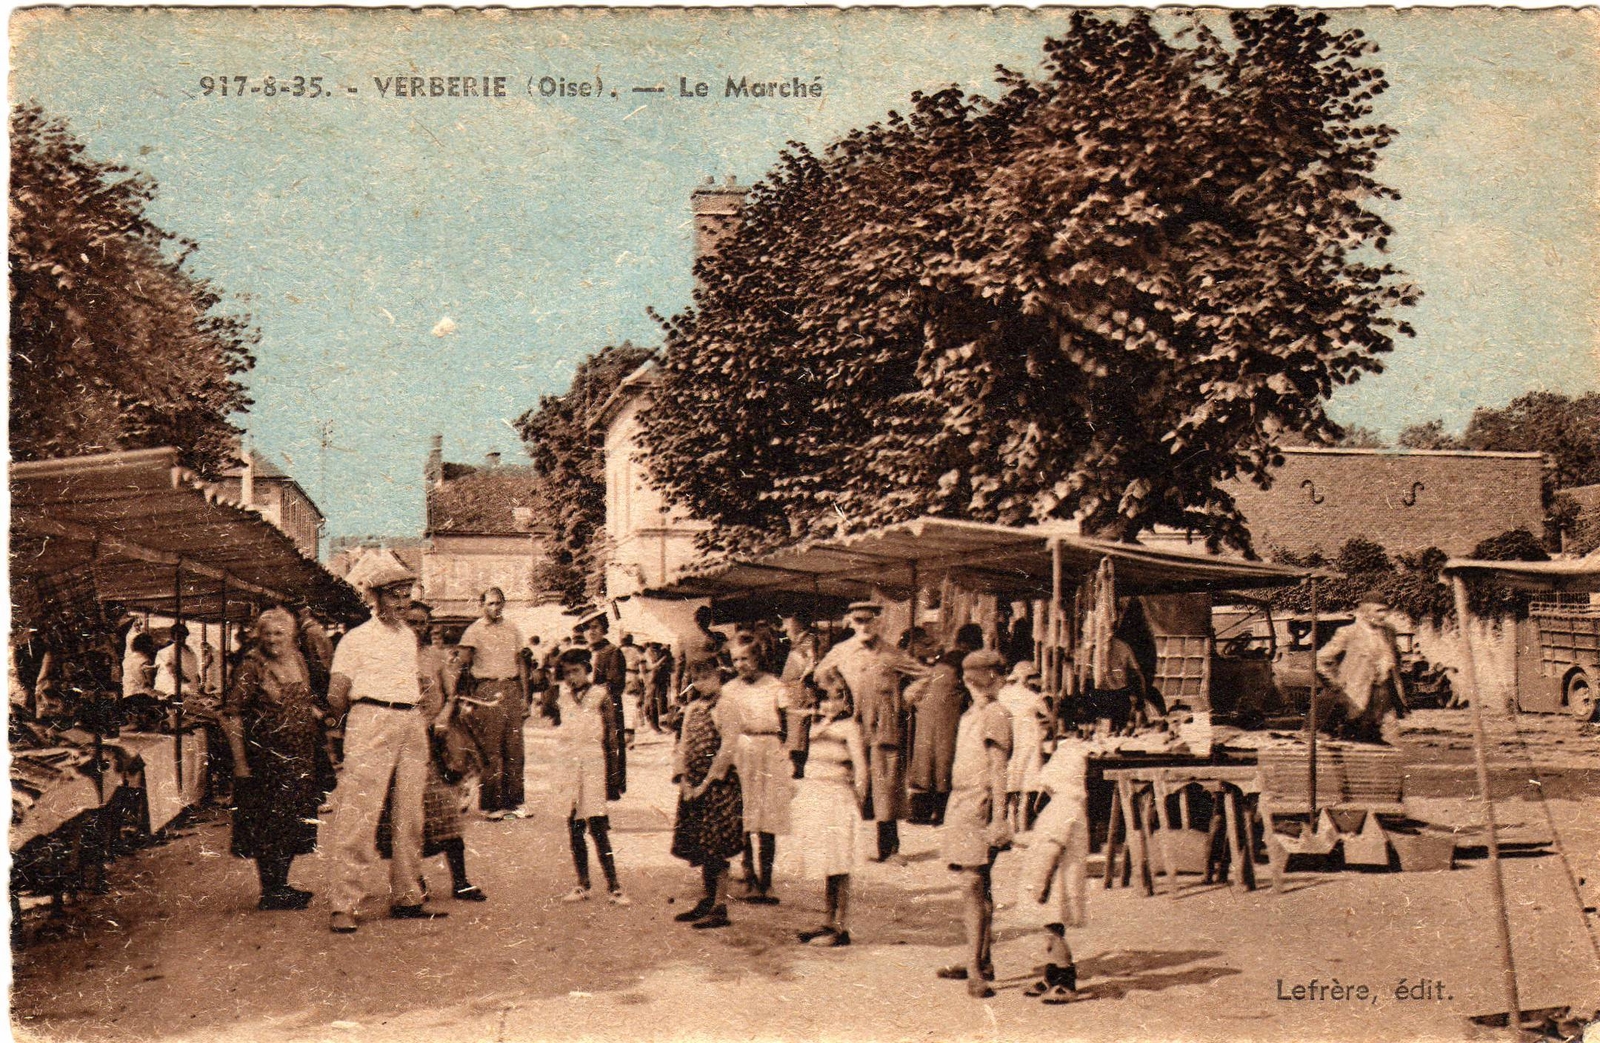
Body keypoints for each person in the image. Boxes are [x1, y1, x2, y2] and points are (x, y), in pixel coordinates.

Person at [323, 556, 447, 933]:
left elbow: (418, 683)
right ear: (373, 598)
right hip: (370, 718)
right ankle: (344, 904)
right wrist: (353, 727)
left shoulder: (409, 637)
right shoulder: (355, 639)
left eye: (406, 597)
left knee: (410, 815)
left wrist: (422, 709)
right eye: (394, 597)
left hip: (410, 722)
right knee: (360, 814)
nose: (402, 604)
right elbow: (336, 693)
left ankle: (408, 896)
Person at [374, 601, 485, 902]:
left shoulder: (434, 657)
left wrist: (441, 720)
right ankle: (414, 880)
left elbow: (450, 696)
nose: (416, 627)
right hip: (400, 743)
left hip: (432, 743)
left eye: (422, 622)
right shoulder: (389, 654)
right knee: (405, 816)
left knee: (447, 812)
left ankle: (460, 881)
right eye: (411, 621)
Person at [222, 607, 323, 911]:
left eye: (279, 633)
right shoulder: (251, 665)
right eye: (267, 633)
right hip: (266, 759)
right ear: (258, 635)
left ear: (291, 634)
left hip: (301, 757)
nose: (273, 639)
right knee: (270, 826)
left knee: (293, 823)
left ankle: (281, 884)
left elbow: (304, 700)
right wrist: (240, 763)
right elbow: (231, 715)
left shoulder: (298, 658)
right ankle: (271, 890)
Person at [815, 601, 928, 861]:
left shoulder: (890, 652)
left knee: (885, 784)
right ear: (851, 622)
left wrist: (904, 698)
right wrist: (836, 694)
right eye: (859, 621)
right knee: (849, 782)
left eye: (869, 620)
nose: (864, 626)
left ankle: (889, 849)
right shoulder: (841, 650)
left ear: (877, 621)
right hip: (852, 723)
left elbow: (924, 675)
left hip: (883, 726)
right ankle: (846, 848)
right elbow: (819, 674)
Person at [935, 649, 1014, 998]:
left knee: (972, 885)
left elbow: (999, 770)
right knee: (978, 886)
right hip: (962, 800)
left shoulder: (995, 714)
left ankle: (975, 969)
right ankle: (980, 959)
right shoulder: (973, 714)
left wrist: (999, 817)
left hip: (978, 803)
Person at [709, 638, 794, 904]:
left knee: (767, 817)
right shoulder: (728, 690)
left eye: (745, 658)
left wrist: (787, 751)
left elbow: (789, 721)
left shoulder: (775, 685)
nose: (740, 665)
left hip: (769, 748)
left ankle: (766, 882)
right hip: (740, 749)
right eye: (735, 660)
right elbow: (720, 723)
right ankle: (749, 874)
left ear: (758, 658)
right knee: (743, 814)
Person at [790, 681, 867, 947]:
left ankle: (841, 927)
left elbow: (861, 768)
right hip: (817, 797)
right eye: (825, 700)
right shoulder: (814, 726)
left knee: (840, 863)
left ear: (846, 702)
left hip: (838, 796)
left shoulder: (850, 727)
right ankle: (828, 920)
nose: (829, 705)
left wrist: (858, 801)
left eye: (836, 699)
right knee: (827, 862)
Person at [1015, 740, 1092, 1004]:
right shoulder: (1066, 805)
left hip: (1054, 882)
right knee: (1049, 932)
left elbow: (1052, 848)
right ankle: (1052, 975)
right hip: (1054, 880)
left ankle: (1066, 979)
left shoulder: (1063, 808)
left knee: (1054, 934)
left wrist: (1040, 881)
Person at [553, 647, 630, 905]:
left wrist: (613, 774)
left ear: (587, 669)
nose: (571, 678)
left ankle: (614, 886)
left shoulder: (600, 695)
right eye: (566, 674)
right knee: (574, 826)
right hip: (569, 765)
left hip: (594, 762)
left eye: (576, 671)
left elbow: (611, 736)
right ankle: (582, 884)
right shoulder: (563, 697)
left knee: (597, 826)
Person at [674, 656, 744, 930]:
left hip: (718, 786)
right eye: (697, 679)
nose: (702, 684)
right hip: (693, 785)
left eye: (707, 677)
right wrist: (684, 780)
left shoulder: (727, 706)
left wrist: (706, 782)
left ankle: (719, 905)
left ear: (719, 677)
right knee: (701, 844)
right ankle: (705, 898)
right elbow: (682, 744)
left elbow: (727, 747)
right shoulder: (692, 708)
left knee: (718, 845)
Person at [457, 587, 529, 819]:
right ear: (482, 605)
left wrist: (526, 696)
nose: (495, 608)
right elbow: (463, 663)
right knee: (491, 749)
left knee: (515, 748)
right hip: (486, 689)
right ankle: (492, 804)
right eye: (490, 603)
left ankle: (515, 802)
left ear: (504, 604)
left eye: (499, 603)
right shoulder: (474, 631)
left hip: (510, 687)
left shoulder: (513, 629)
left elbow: (521, 663)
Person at [906, 625, 979, 826]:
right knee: (945, 758)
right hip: (948, 712)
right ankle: (941, 811)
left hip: (928, 713)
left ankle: (919, 811)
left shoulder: (946, 658)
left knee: (927, 759)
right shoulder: (965, 660)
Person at [1315, 601, 1409, 744]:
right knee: (1346, 736)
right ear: (1365, 612)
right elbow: (1322, 657)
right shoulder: (1348, 632)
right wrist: (1333, 682)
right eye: (1378, 610)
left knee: (1373, 739)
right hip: (1355, 691)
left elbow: (1393, 659)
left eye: (1385, 610)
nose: (1383, 615)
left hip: (1381, 694)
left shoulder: (1389, 631)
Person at [582, 612, 628, 799]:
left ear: (604, 628)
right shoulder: (585, 652)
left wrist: (592, 691)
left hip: (608, 707)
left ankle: (611, 786)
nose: (591, 632)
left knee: (610, 744)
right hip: (589, 707)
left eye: (595, 627)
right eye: (587, 628)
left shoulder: (612, 651)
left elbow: (616, 682)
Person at [998, 660, 1048, 831]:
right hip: (1027, 742)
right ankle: (1021, 824)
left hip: (1009, 740)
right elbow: (1048, 715)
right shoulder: (1032, 697)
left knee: (1010, 783)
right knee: (1026, 786)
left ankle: (1009, 824)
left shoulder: (1003, 694)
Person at [778, 611, 819, 778]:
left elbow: (813, 661)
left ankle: (798, 767)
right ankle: (794, 763)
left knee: (799, 731)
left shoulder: (809, 639)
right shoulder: (798, 641)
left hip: (799, 690)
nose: (787, 630)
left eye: (789, 625)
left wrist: (802, 678)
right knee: (792, 729)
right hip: (791, 689)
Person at [153, 624, 199, 701]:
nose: (182, 638)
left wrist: (196, 678)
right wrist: (183, 680)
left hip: (190, 688)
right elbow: (170, 668)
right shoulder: (167, 651)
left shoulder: (189, 649)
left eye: (183, 635)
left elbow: (193, 666)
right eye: (179, 635)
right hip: (172, 689)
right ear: (173, 636)